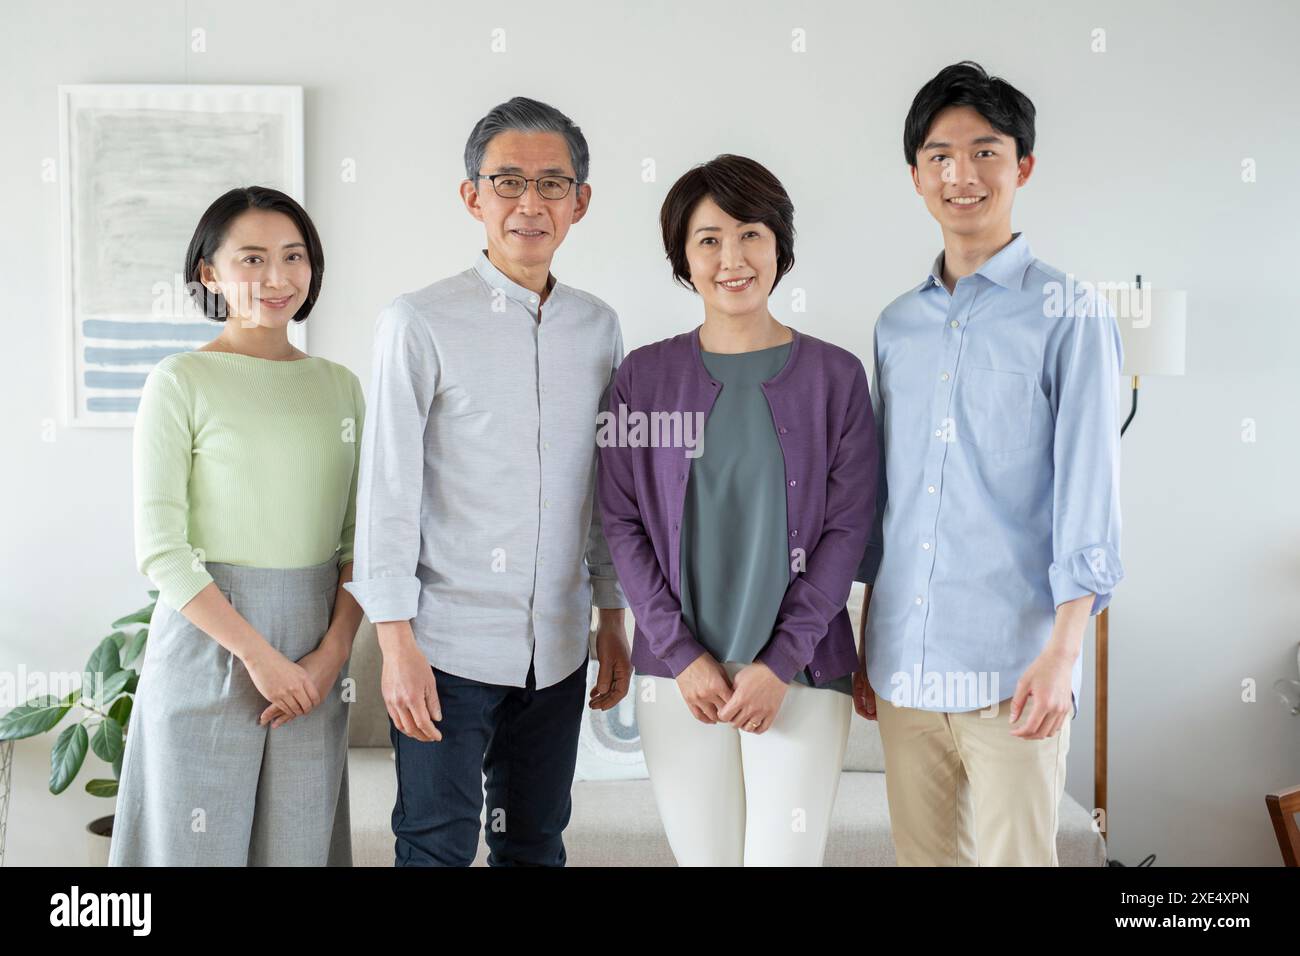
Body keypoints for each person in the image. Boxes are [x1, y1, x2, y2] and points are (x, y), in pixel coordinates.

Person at [342, 96, 630, 867]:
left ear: (582, 201)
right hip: (444, 645)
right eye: (508, 181)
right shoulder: (418, 321)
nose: (530, 203)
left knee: (535, 844)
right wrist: (395, 643)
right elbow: (388, 491)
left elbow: (602, 482)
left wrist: (611, 614)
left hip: (560, 644)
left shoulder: (599, 327)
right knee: (434, 847)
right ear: (473, 197)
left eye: (552, 183)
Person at [853, 61, 1124, 866]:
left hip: (1018, 670)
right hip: (905, 666)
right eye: (939, 156)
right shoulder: (896, 325)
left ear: (1023, 166)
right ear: (915, 177)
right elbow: (885, 499)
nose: (961, 174)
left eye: (984, 152)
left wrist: (1063, 656)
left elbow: (1090, 492)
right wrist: (871, 637)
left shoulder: (1069, 313)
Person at [597, 154, 877, 866]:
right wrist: (683, 654)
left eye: (751, 233)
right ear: (683, 258)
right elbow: (621, 526)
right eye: (709, 239)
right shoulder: (642, 379)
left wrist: (779, 662)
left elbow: (849, 531)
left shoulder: (835, 378)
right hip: (677, 677)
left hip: (802, 675)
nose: (733, 257)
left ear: (780, 245)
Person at [110, 186, 365, 866]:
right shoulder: (179, 380)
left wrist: (331, 654)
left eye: (293, 256)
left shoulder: (341, 386)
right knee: (194, 846)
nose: (276, 278)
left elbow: (358, 539)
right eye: (251, 258)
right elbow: (161, 551)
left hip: (315, 653)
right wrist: (260, 656)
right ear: (209, 273)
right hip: (208, 646)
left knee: (297, 847)